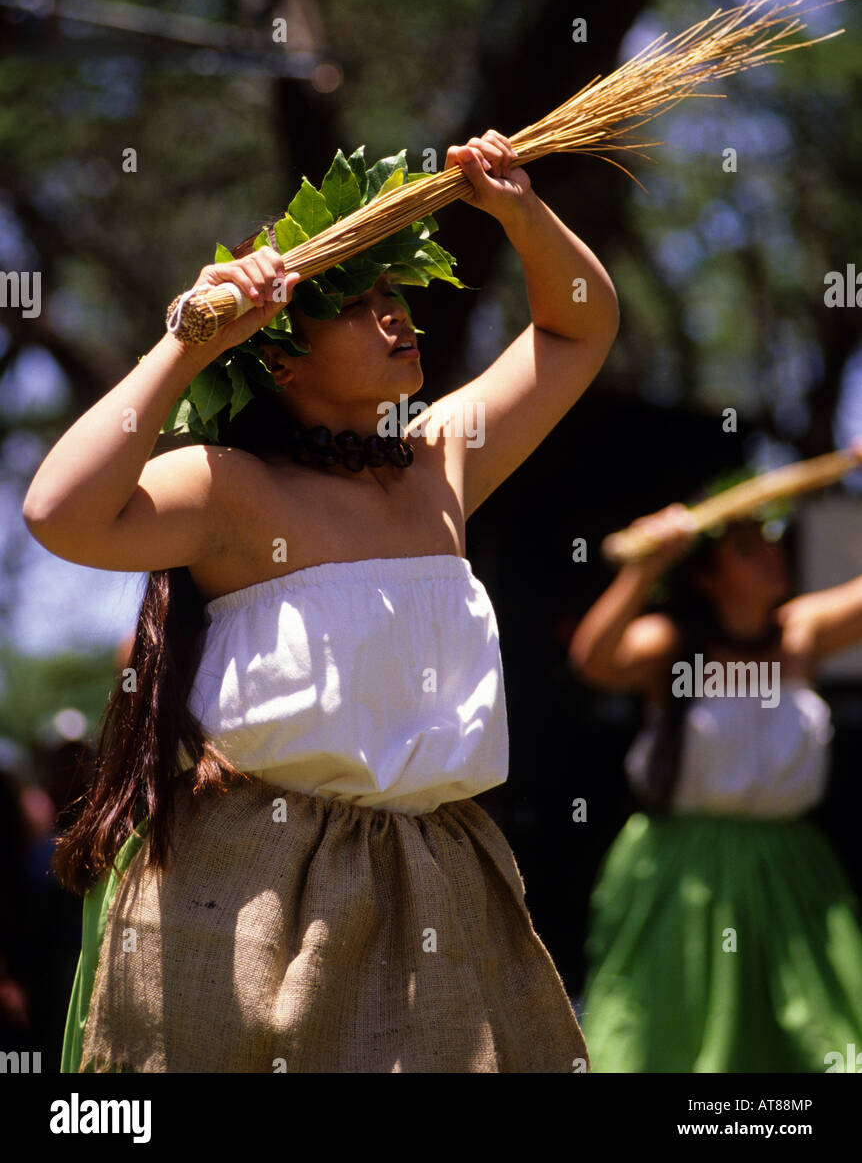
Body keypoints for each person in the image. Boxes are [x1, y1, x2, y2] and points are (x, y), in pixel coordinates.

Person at [23, 129, 619, 1073]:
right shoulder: (226, 488)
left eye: (395, 293)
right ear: (280, 362)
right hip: (254, 884)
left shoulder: (440, 461)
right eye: (358, 303)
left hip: (440, 876)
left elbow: (578, 327)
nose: (395, 316)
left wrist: (518, 209)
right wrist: (185, 346)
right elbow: (59, 512)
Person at [567, 474, 862, 1073]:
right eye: (745, 550)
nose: (770, 557)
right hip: (681, 873)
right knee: (675, 1042)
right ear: (705, 577)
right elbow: (593, 659)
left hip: (789, 871)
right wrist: (644, 568)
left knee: (815, 1038)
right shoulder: (670, 646)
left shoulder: (800, 635)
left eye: (771, 541)